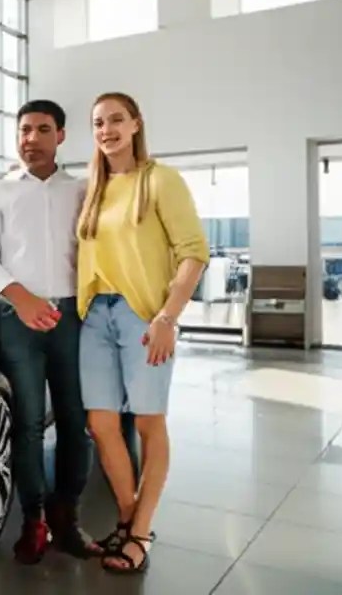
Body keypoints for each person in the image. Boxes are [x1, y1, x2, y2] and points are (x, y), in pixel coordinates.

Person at [75, 93, 208, 575]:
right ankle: (131, 519)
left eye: (116, 120)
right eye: (98, 123)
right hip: (95, 316)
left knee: (150, 423)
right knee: (101, 425)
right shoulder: (93, 187)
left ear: (136, 124)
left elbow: (194, 252)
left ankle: (140, 532)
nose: (106, 130)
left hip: (143, 316)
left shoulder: (160, 180)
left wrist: (167, 318)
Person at [0, 99, 100, 564]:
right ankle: (34, 521)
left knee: (74, 422)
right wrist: (21, 299)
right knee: (26, 424)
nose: (31, 138)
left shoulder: (82, 190)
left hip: (72, 319)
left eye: (43, 129)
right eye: (25, 130)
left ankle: (67, 519)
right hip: (19, 318)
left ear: (60, 136)